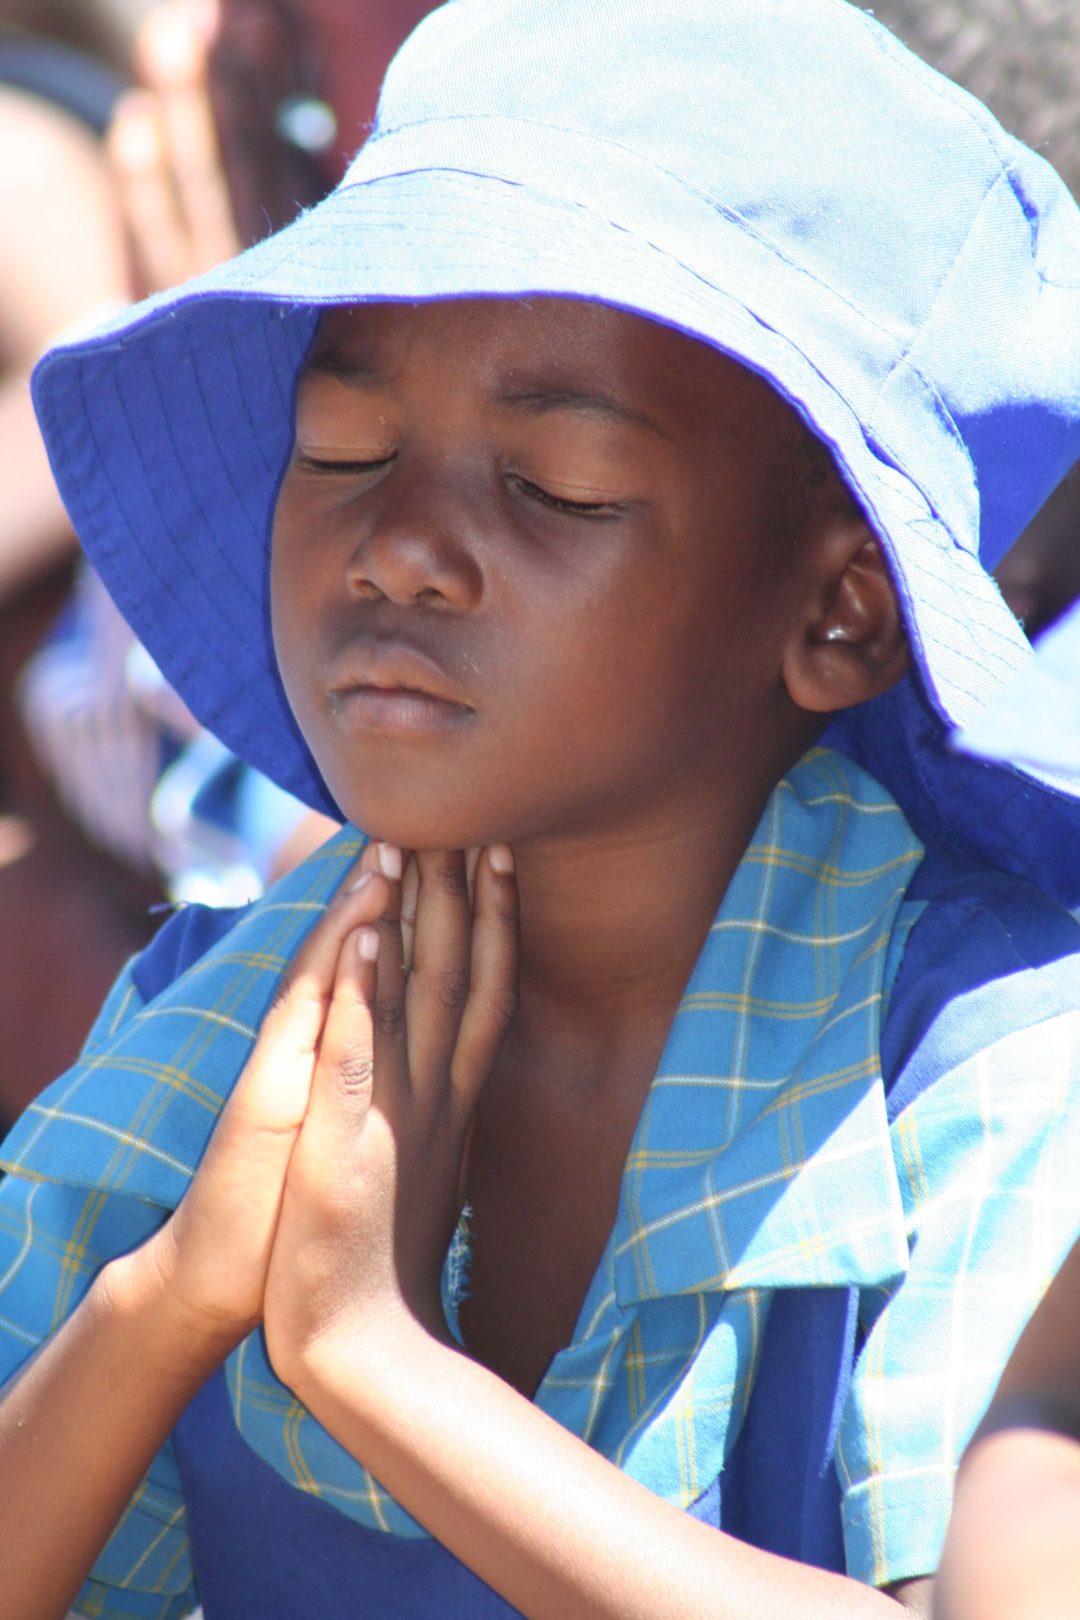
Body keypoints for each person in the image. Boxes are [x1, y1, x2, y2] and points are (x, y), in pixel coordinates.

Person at [2, 1, 1080, 1615]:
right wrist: (166, 1305)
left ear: (843, 612)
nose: (401, 547)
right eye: (346, 445)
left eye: (557, 488)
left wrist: (376, 1365)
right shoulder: (218, 1029)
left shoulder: (989, 1075)